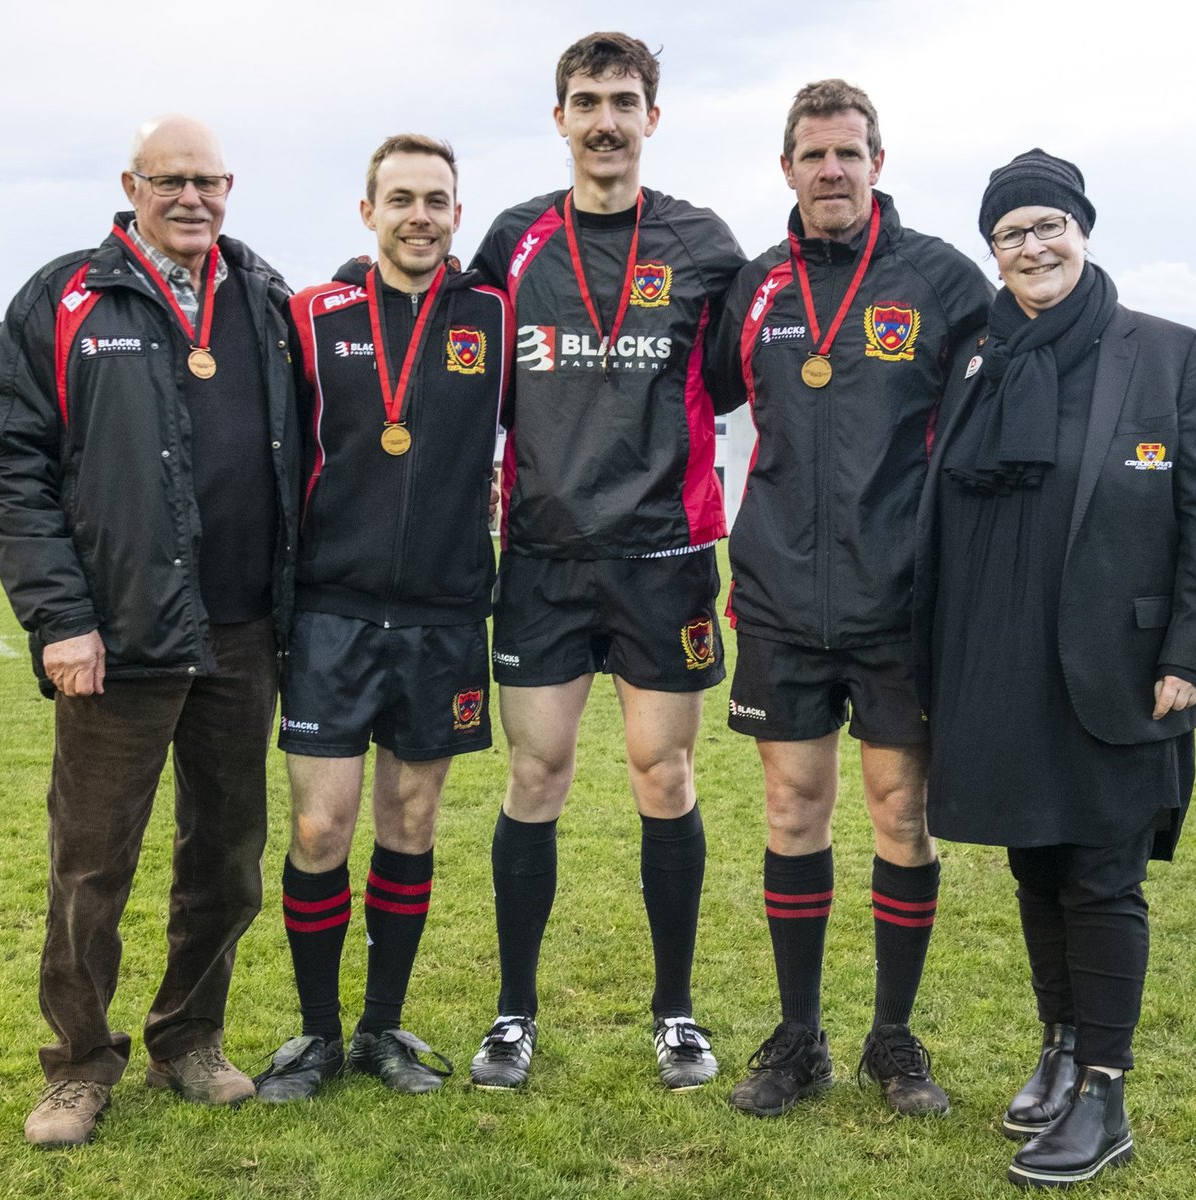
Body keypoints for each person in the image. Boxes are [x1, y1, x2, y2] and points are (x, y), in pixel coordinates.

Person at [0, 115, 299, 1147]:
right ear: (131, 184)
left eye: (210, 180)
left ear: (231, 187)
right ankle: (76, 1066)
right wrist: (62, 619)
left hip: (243, 633)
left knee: (228, 859)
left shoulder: (267, 298)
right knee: (91, 863)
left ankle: (190, 1039)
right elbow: (8, 471)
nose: (193, 198)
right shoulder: (68, 298)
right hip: (118, 638)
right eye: (172, 180)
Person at [912, 150, 1196, 1187]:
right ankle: (1058, 1044)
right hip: (992, 660)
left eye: (1049, 225)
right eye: (1011, 233)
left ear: (1084, 229)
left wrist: (1191, 652)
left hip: (1120, 664)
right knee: (1034, 861)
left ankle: (1105, 1091)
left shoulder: (1168, 354)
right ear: (992, 251)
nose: (1033, 247)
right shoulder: (974, 356)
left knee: (1101, 874)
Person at [705, 79, 991, 1118]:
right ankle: (797, 1039)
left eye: (850, 154)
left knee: (902, 817)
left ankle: (894, 1039)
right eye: (814, 155)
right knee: (793, 811)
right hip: (780, 597)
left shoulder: (945, 284)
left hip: (899, 603)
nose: (833, 171)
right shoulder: (756, 288)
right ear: (786, 168)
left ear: (879, 162)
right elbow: (699, 400)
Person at [466, 31, 746, 1091]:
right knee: (535, 774)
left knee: (663, 775)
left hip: (663, 557)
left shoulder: (702, 242)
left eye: (624, 100)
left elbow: (728, 371)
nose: (605, 119)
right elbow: (470, 367)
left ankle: (675, 1013)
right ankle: (513, 1015)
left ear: (653, 119)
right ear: (559, 118)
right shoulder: (513, 241)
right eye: (586, 100)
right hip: (540, 553)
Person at [251, 135, 509, 1102]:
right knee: (321, 827)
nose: (420, 216)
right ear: (368, 212)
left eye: (438, 200)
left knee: (409, 820)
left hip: (445, 614)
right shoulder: (313, 317)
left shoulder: (491, 313)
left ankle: (381, 1029)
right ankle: (317, 1035)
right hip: (332, 612)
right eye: (401, 199)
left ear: (457, 210)